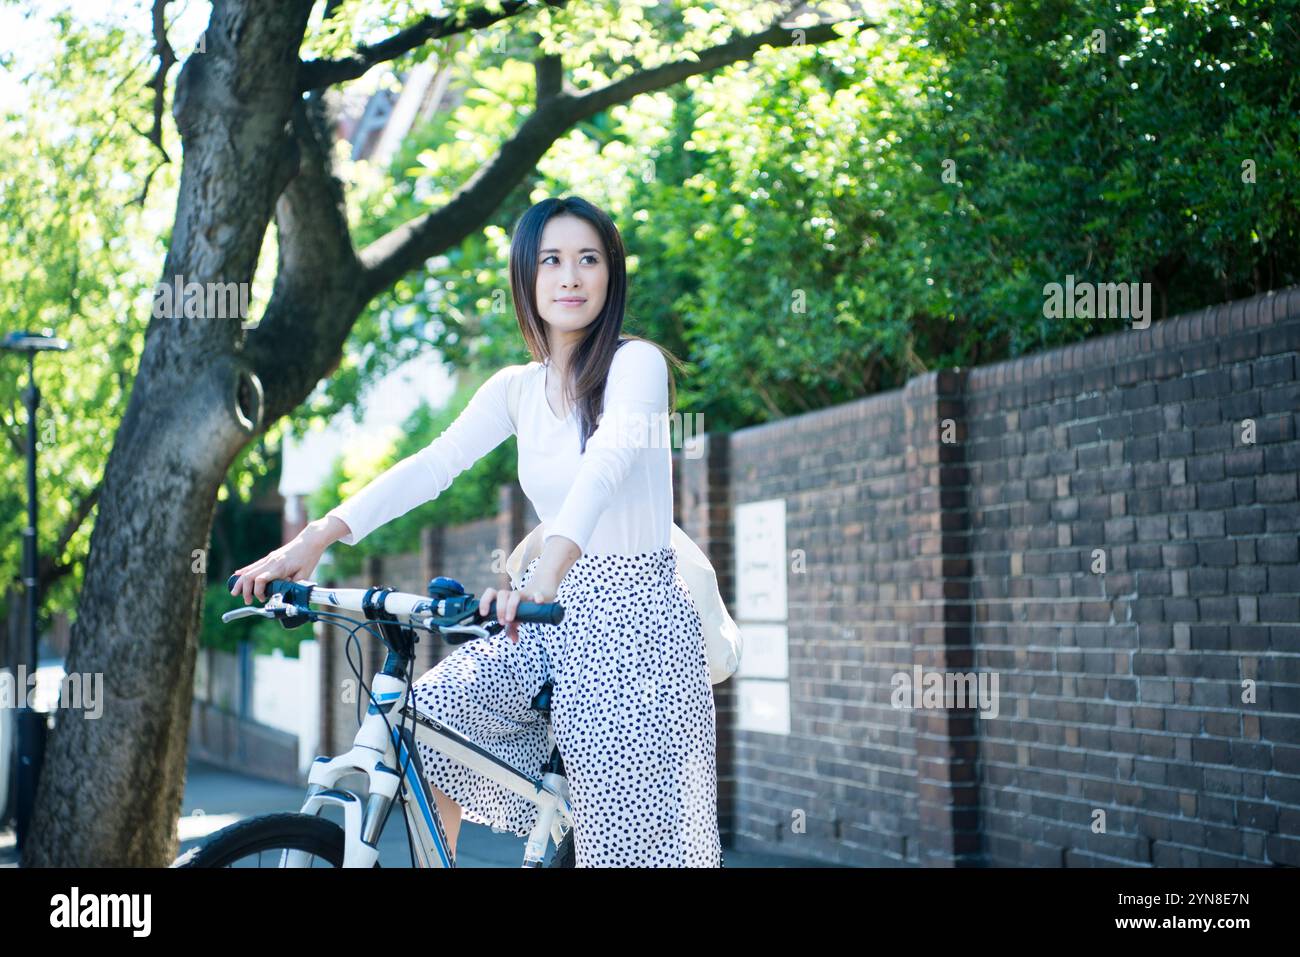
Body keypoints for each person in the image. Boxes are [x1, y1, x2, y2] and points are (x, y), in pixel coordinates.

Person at [229, 195, 722, 867]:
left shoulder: (637, 365)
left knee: (628, 848)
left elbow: (605, 464)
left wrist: (544, 575)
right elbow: (432, 465)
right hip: (548, 622)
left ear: (611, 276)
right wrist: (312, 539)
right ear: (527, 276)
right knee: (424, 718)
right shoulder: (517, 388)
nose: (570, 277)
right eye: (551, 260)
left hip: (634, 631)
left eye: (588, 260)